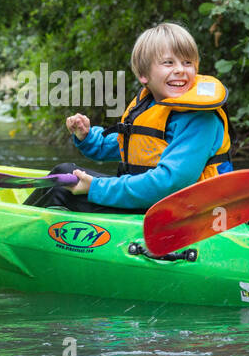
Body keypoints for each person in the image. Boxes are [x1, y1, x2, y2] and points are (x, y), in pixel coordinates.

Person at [25, 22, 232, 213]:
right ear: (144, 75)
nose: (180, 70)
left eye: (187, 62)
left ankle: (11, 231)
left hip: (188, 212)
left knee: (62, 192)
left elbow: (170, 183)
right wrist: (87, 136)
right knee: (66, 172)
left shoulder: (201, 120)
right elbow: (127, 144)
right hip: (152, 200)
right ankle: (18, 220)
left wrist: (96, 187)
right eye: (168, 63)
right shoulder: (149, 105)